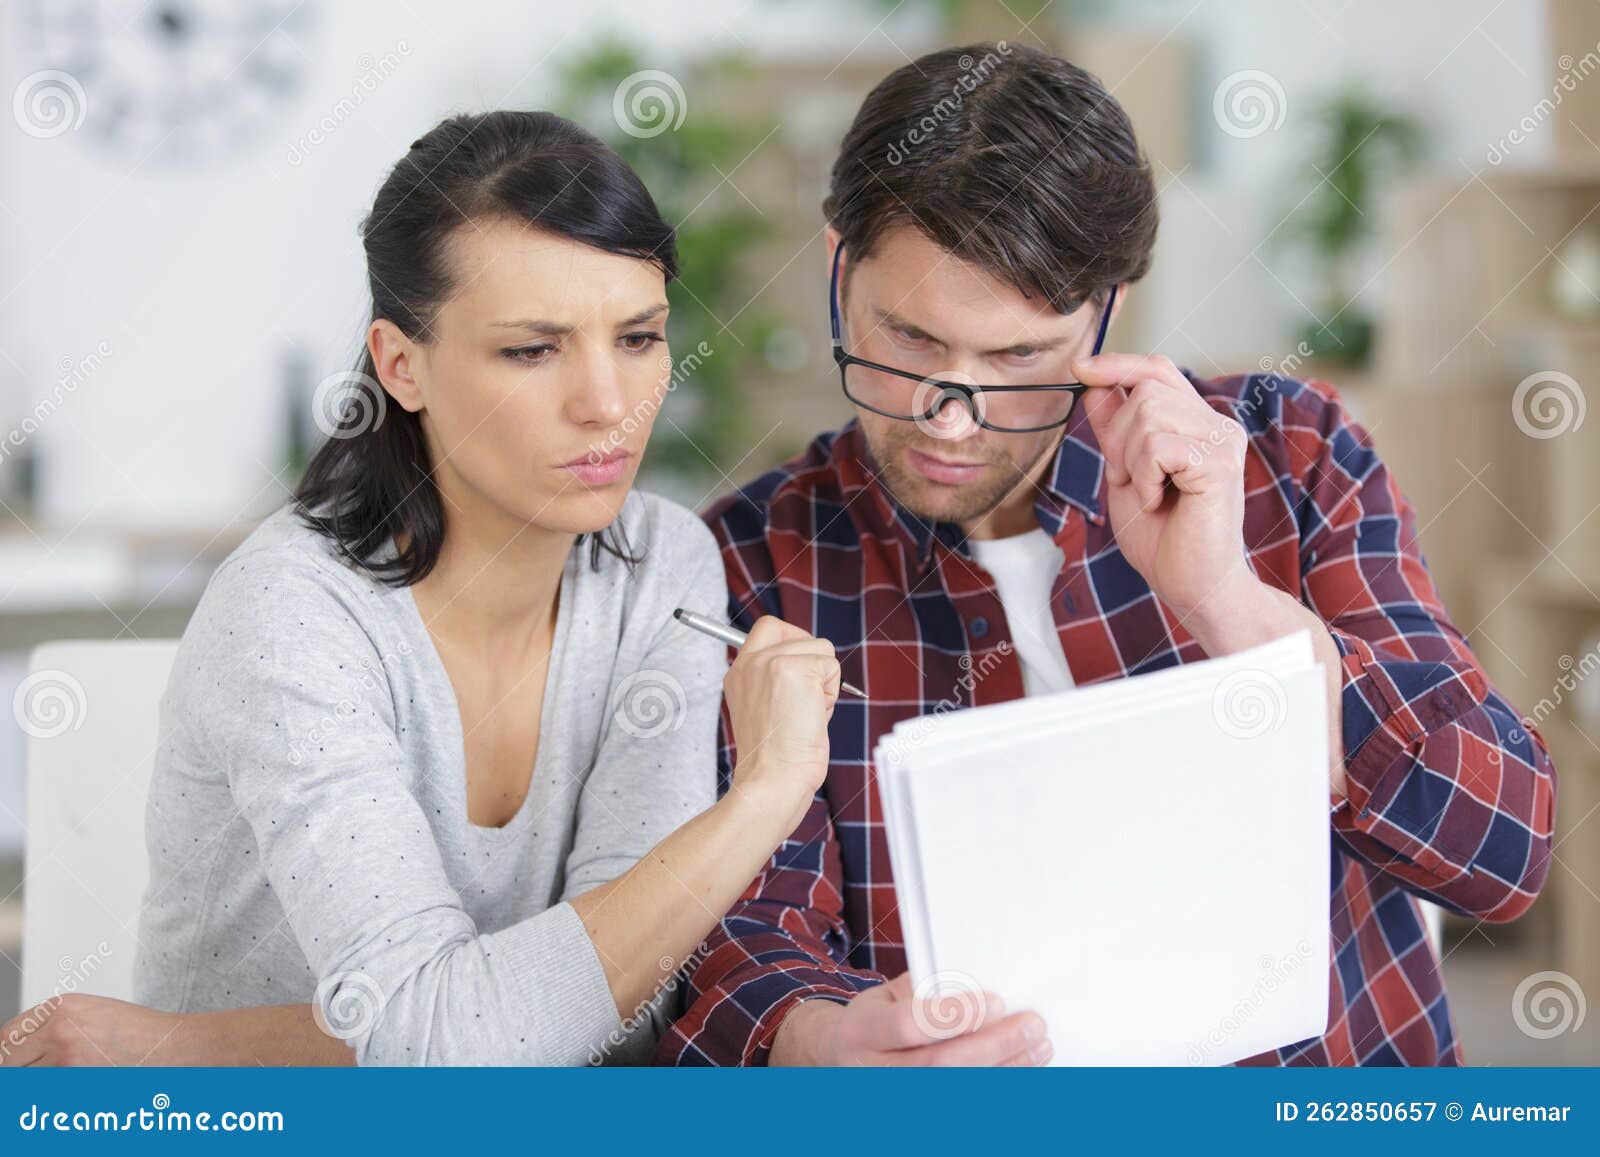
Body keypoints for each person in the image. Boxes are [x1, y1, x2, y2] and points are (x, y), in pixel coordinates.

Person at [657, 43, 1558, 1067]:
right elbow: (745, 940)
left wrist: (1227, 601)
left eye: (1016, 359)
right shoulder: (752, 559)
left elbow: (1501, 850)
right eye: (907, 340)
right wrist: (817, 1039)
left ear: (1107, 312)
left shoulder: (1286, 453)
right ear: (837, 268)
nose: (949, 417)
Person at [0, 110, 842, 1066]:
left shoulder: (662, 567)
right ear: (401, 365)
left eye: (640, 337)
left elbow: (627, 1003)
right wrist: (770, 788)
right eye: (533, 349)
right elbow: (444, 1049)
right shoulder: (291, 614)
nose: (608, 402)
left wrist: (185, 1045)